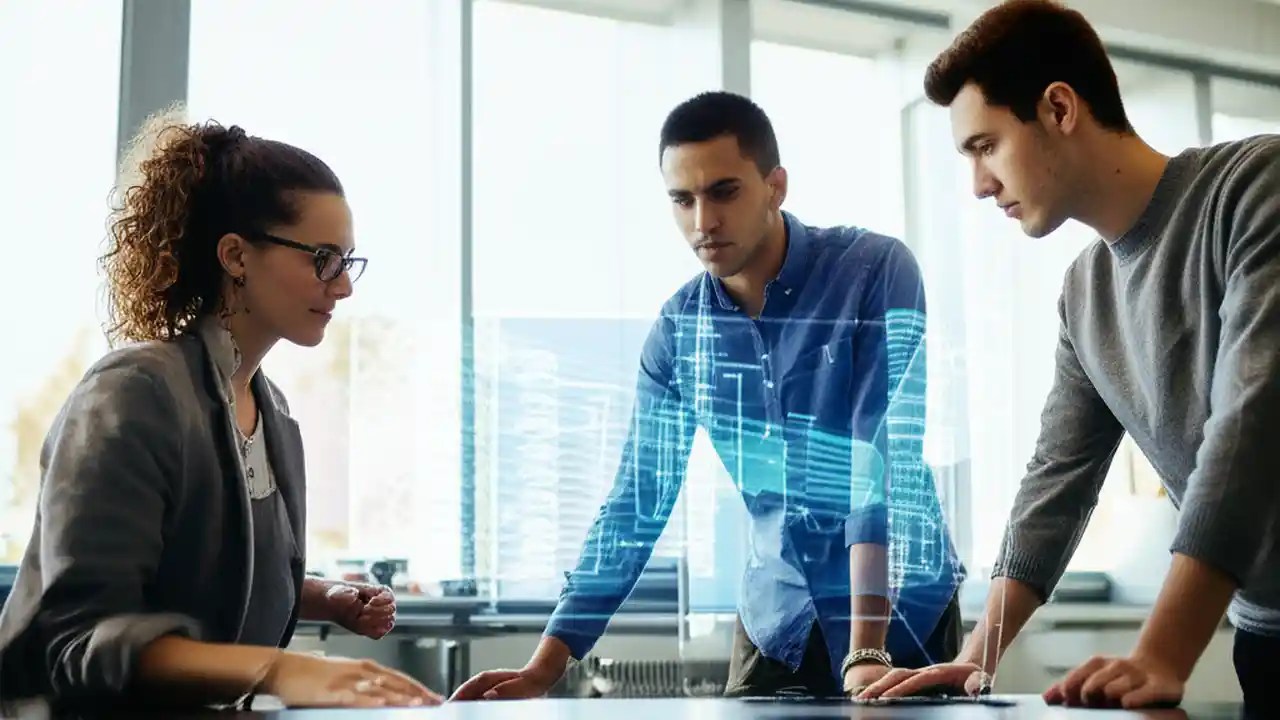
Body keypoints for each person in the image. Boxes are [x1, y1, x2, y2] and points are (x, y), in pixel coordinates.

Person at [452, 91, 965, 701]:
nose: (703, 221)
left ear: (775, 186)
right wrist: (546, 662)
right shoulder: (678, 334)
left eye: (724, 192)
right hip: (779, 619)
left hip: (902, 610)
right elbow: (636, 502)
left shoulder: (875, 269)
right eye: (682, 198)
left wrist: (866, 649)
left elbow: (878, 457)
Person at [856, 0, 1280, 714]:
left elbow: (1254, 420)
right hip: (1264, 638)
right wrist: (975, 660)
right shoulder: (1084, 293)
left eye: (985, 146)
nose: (978, 184)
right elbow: (1057, 481)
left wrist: (1162, 653)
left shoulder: (1254, 186)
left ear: (1058, 108)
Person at [0, 109, 441, 710]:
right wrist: (278, 670)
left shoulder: (274, 415)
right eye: (323, 259)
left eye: (347, 262)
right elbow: (80, 639)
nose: (343, 287)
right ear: (235, 256)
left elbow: (207, 570)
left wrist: (322, 598)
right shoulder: (132, 392)